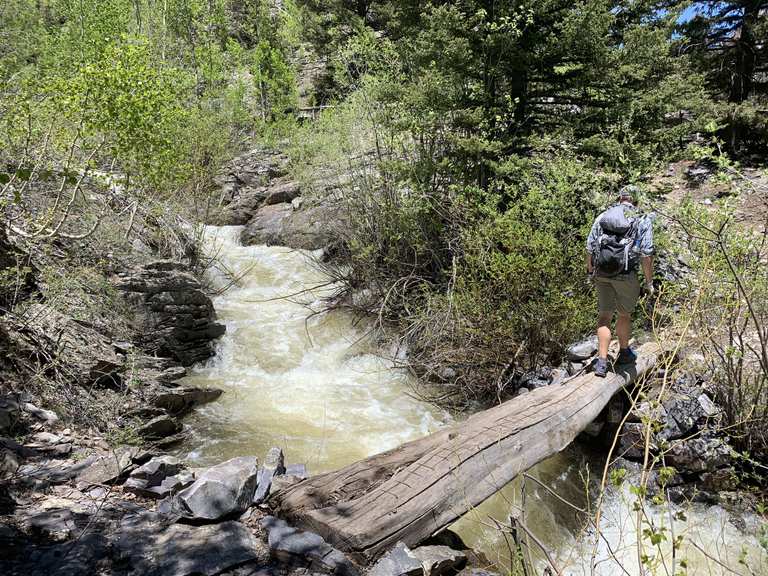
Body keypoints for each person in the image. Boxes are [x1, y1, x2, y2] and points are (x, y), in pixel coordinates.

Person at [586, 185, 654, 377]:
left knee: (604, 316)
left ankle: (601, 362)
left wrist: (590, 272)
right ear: (636, 201)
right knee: (624, 315)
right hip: (626, 275)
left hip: (602, 274)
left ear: (619, 199)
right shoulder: (642, 219)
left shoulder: (602, 217)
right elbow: (647, 254)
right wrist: (649, 282)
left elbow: (589, 248)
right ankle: (624, 353)